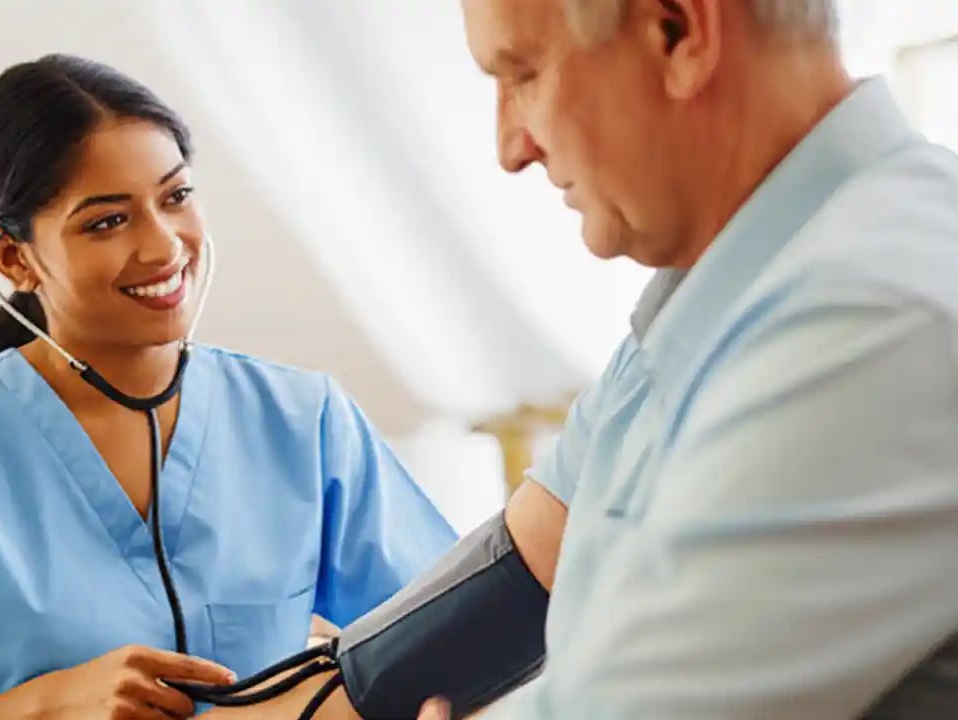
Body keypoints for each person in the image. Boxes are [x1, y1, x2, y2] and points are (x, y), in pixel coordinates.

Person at [165, 0, 958, 718]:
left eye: (524, 73)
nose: (510, 146)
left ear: (677, 31)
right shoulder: (702, 306)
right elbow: (518, 571)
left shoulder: (879, 312)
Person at [0, 53, 457, 719]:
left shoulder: (306, 420)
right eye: (107, 221)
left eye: (175, 197)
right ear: (13, 258)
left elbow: (451, 646)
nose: (164, 247)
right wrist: (56, 702)